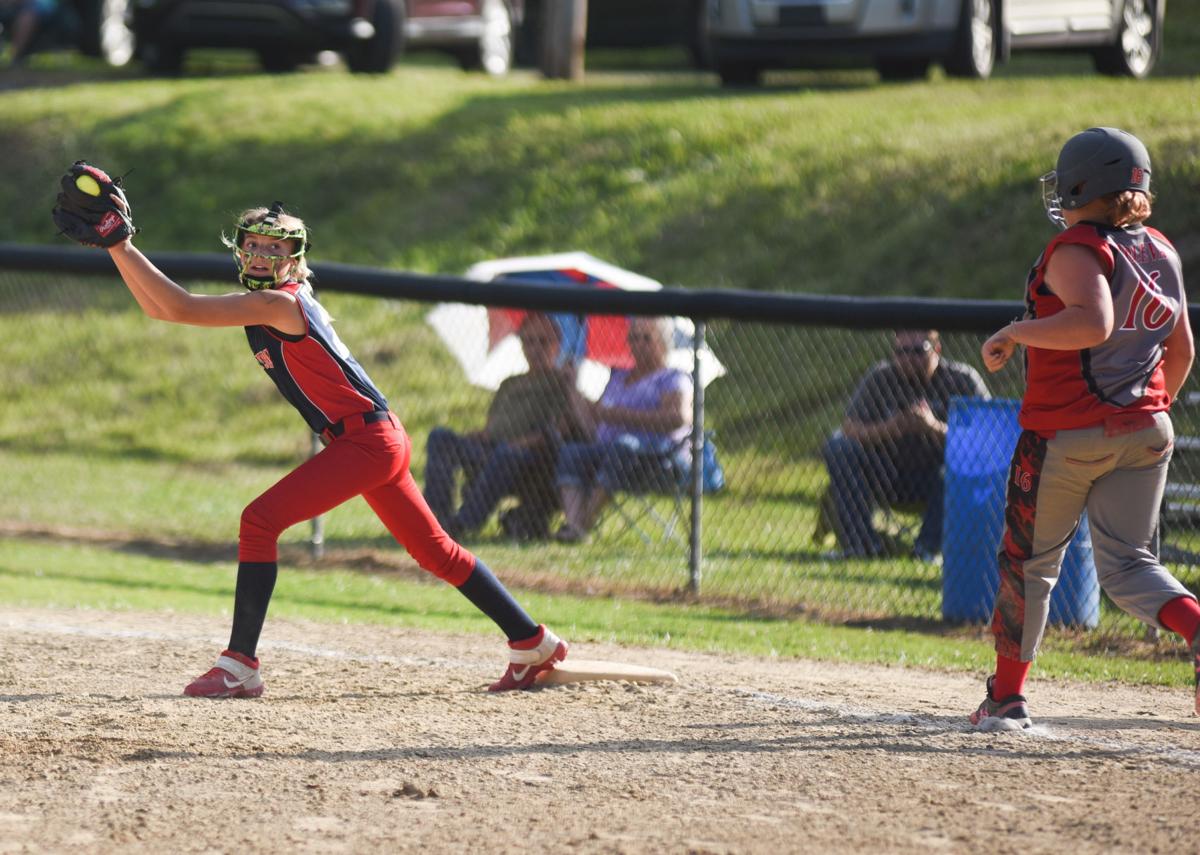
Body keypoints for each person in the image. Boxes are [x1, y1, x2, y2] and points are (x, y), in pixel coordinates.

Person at [100, 198, 567, 696]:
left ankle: (239, 665)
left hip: (366, 441)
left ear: (294, 257)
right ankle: (532, 641)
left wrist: (120, 242)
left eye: (274, 247)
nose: (260, 254)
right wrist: (116, 249)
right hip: (376, 437)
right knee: (438, 553)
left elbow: (179, 308)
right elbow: (159, 308)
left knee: (259, 521)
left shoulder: (277, 303)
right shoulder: (278, 299)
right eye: (253, 245)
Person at [974, 127, 1199, 729]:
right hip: (1148, 429)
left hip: (1065, 433)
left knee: (1030, 563)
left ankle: (1005, 698)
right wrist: (1145, 411)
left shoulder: (1075, 248)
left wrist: (1015, 332)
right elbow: (1181, 351)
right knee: (1127, 567)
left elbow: (1092, 323)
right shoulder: (1160, 249)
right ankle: (1196, 627)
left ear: (1083, 185)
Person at [821, 329, 989, 561]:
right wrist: (891, 428)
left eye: (918, 351)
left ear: (937, 349)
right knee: (838, 447)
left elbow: (987, 440)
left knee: (954, 468)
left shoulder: (962, 379)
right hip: (887, 474)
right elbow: (849, 428)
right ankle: (862, 547)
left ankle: (926, 551)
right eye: (901, 352)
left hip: (938, 479)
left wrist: (933, 427)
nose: (908, 358)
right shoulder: (880, 378)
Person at [423, 312, 587, 540]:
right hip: (493, 449)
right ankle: (434, 518)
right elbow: (490, 429)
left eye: (543, 341)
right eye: (529, 341)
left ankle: (462, 524)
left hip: (529, 459)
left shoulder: (562, 385)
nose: (535, 348)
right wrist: (478, 436)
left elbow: (560, 431)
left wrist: (518, 443)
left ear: (557, 345)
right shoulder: (509, 383)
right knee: (440, 437)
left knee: (507, 453)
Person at [553, 315, 693, 543]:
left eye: (647, 338)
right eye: (634, 338)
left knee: (624, 447)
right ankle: (573, 523)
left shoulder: (673, 378)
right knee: (573, 453)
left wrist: (620, 417)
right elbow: (594, 425)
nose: (639, 345)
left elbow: (680, 418)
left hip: (658, 458)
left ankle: (582, 525)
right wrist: (571, 388)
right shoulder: (618, 377)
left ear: (664, 343)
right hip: (609, 452)